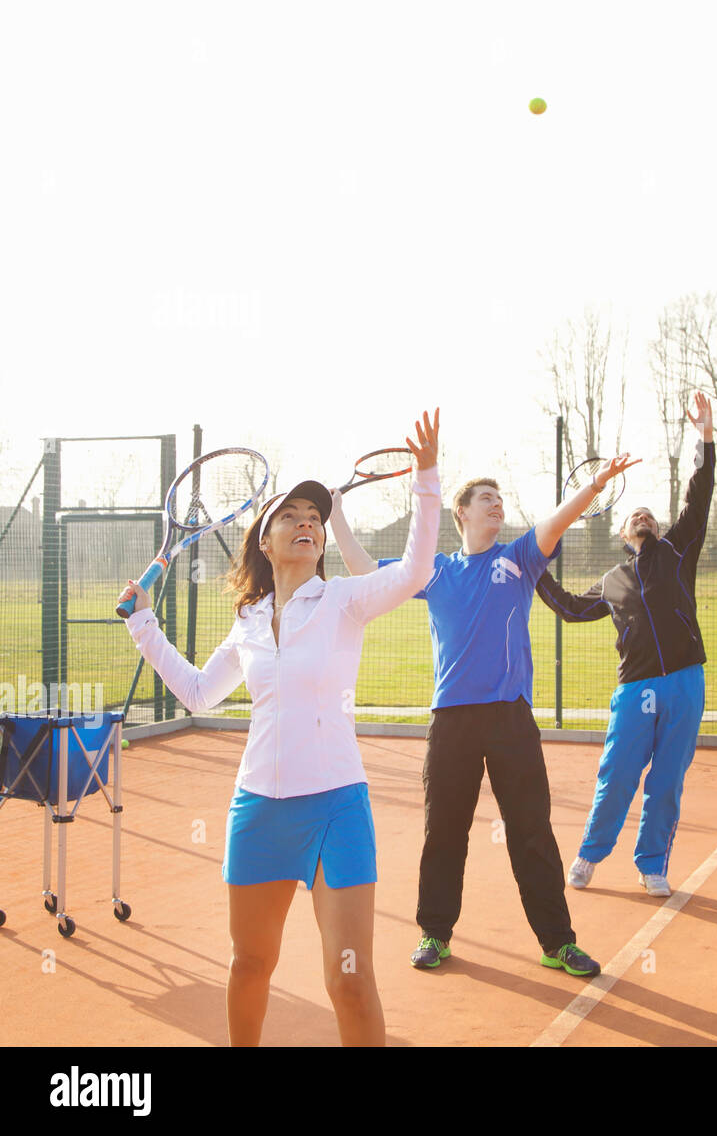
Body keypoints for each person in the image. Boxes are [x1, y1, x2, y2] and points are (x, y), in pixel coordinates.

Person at [118, 410, 441, 1047]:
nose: (308, 524)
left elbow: (414, 572)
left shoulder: (346, 600)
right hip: (258, 812)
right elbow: (198, 693)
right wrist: (144, 625)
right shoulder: (248, 620)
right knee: (250, 965)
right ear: (265, 541)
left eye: (315, 518)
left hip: (336, 812)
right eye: (292, 515)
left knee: (349, 978)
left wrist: (426, 481)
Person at [330, 448, 639, 976]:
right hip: (452, 721)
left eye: (499, 500)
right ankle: (434, 933)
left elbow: (559, 519)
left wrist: (596, 485)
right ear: (461, 514)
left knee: (532, 832)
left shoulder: (518, 558)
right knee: (444, 830)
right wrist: (334, 512)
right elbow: (363, 569)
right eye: (485, 499)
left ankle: (557, 941)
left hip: (510, 719)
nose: (496, 505)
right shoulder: (433, 570)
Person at [535, 392, 714, 898]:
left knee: (666, 783)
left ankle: (652, 864)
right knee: (617, 778)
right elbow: (571, 608)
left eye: (650, 515)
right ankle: (590, 855)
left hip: (684, 681)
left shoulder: (679, 551)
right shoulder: (612, 580)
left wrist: (704, 437)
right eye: (636, 516)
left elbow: (698, 496)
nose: (644, 518)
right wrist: (535, 573)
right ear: (621, 532)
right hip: (636, 690)